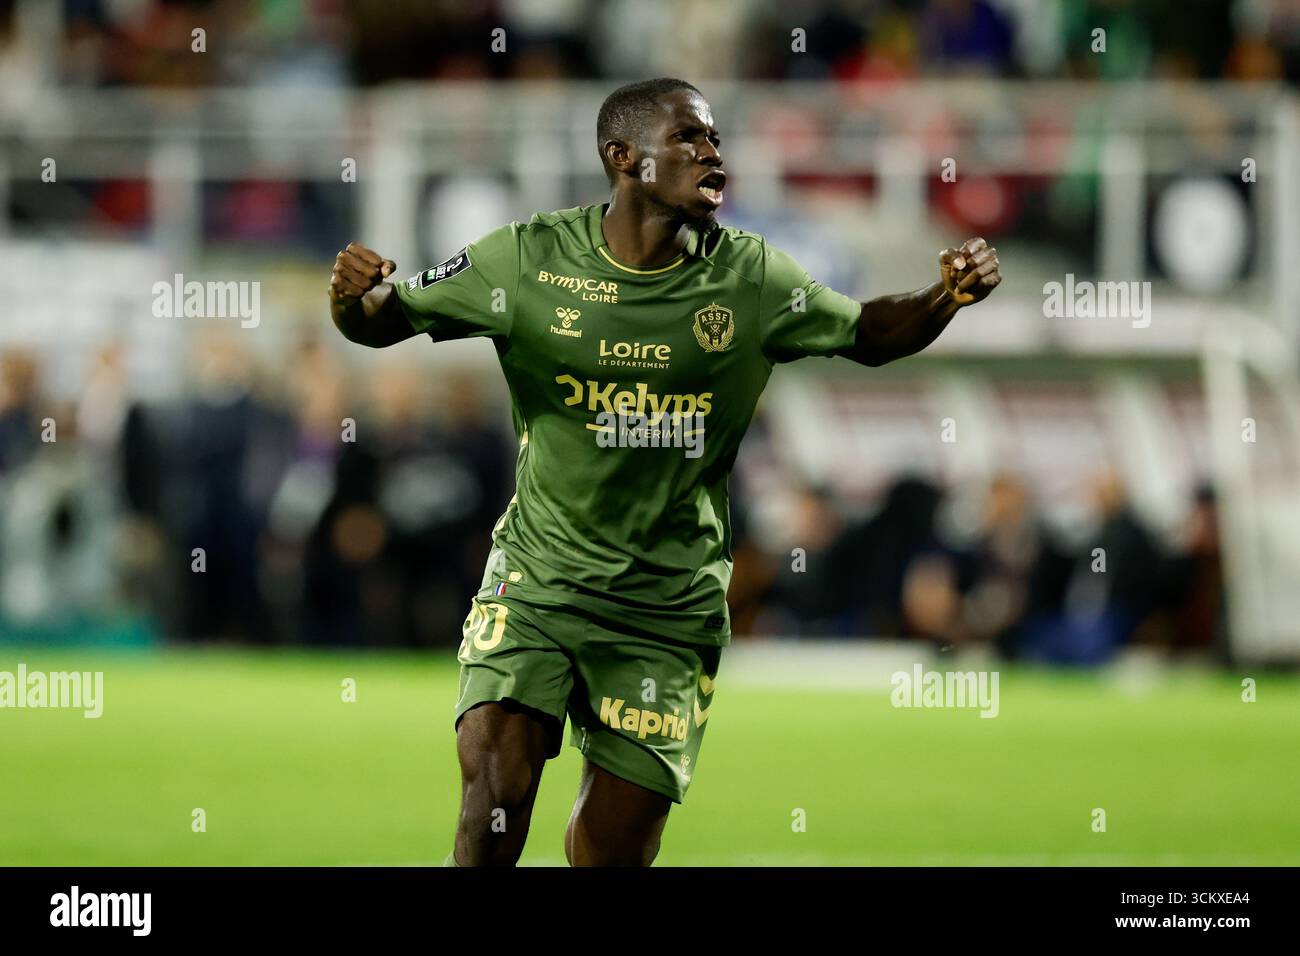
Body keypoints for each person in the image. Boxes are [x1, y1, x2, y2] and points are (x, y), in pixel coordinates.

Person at [326, 78, 1001, 866]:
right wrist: (352, 301)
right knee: (494, 803)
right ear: (624, 158)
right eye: (690, 138)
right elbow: (385, 319)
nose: (714, 154)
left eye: (714, 138)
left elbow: (866, 332)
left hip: (666, 608)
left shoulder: (750, 278)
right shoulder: (526, 258)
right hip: (540, 581)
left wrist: (941, 296)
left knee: (610, 853)